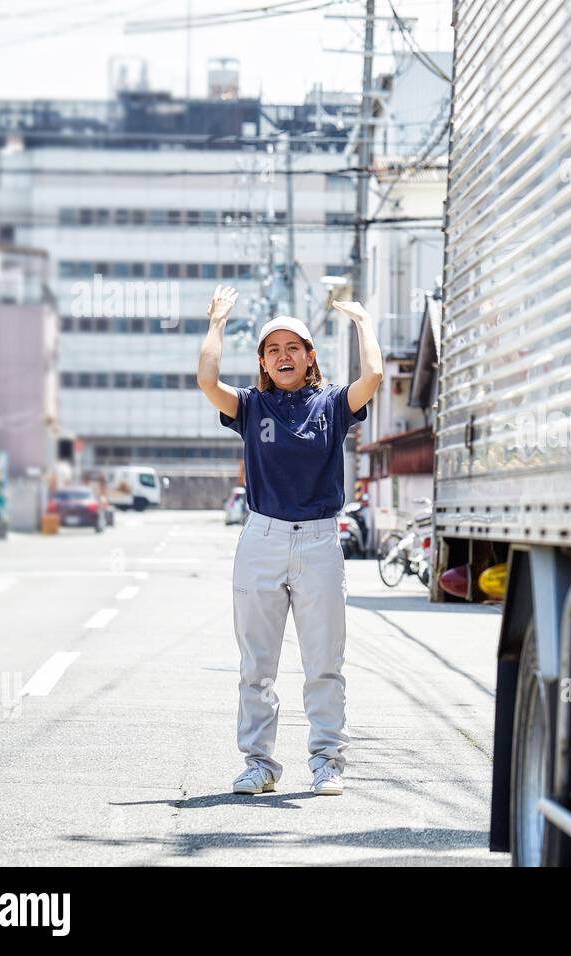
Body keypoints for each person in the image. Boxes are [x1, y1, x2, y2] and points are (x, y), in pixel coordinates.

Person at [196, 285, 384, 796]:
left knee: (324, 661)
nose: (284, 356)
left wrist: (363, 321)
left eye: (293, 348)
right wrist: (217, 323)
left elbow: (374, 377)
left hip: (320, 541)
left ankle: (327, 761)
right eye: (273, 349)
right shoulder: (251, 406)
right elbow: (207, 381)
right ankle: (258, 764)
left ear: (309, 357)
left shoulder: (331, 405)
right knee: (256, 663)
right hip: (262, 538)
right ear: (262, 361)